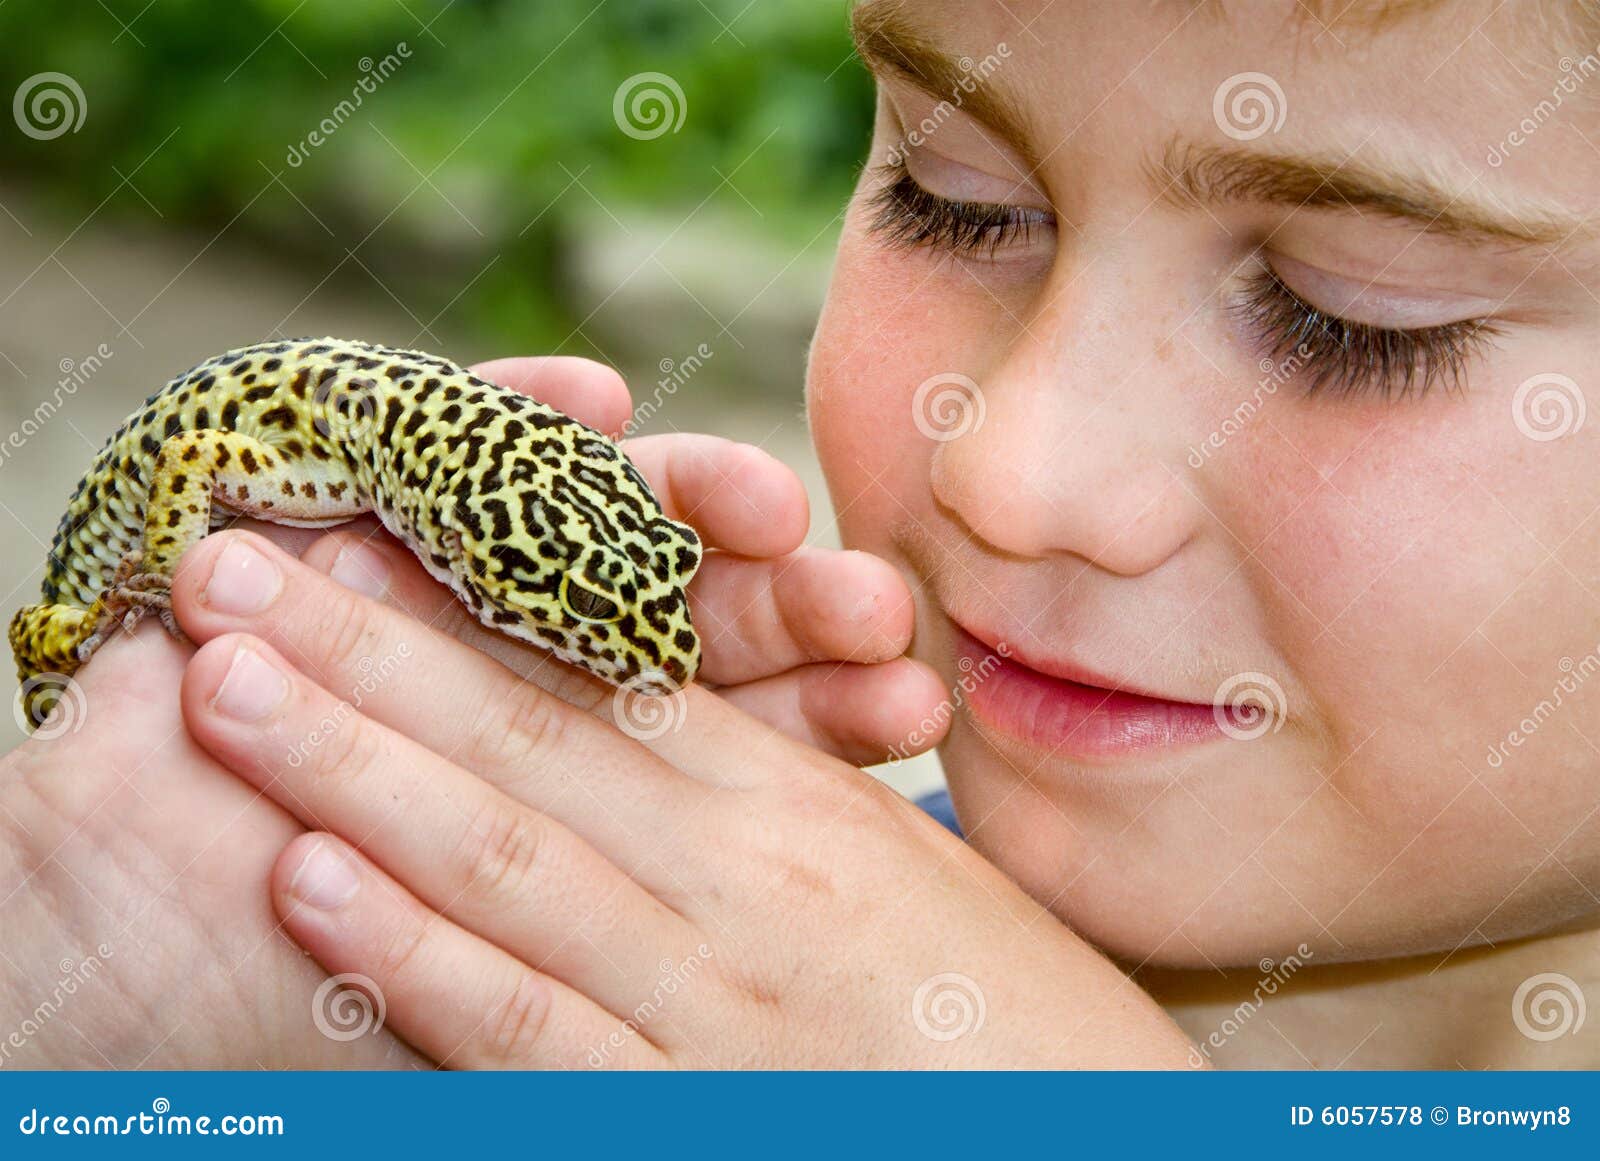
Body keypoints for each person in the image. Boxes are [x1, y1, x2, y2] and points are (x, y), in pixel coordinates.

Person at [4, 0, 1597, 1068]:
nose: (1014, 474)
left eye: (1352, 319)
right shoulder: (618, 972)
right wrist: (84, 975)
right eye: (952, 192)